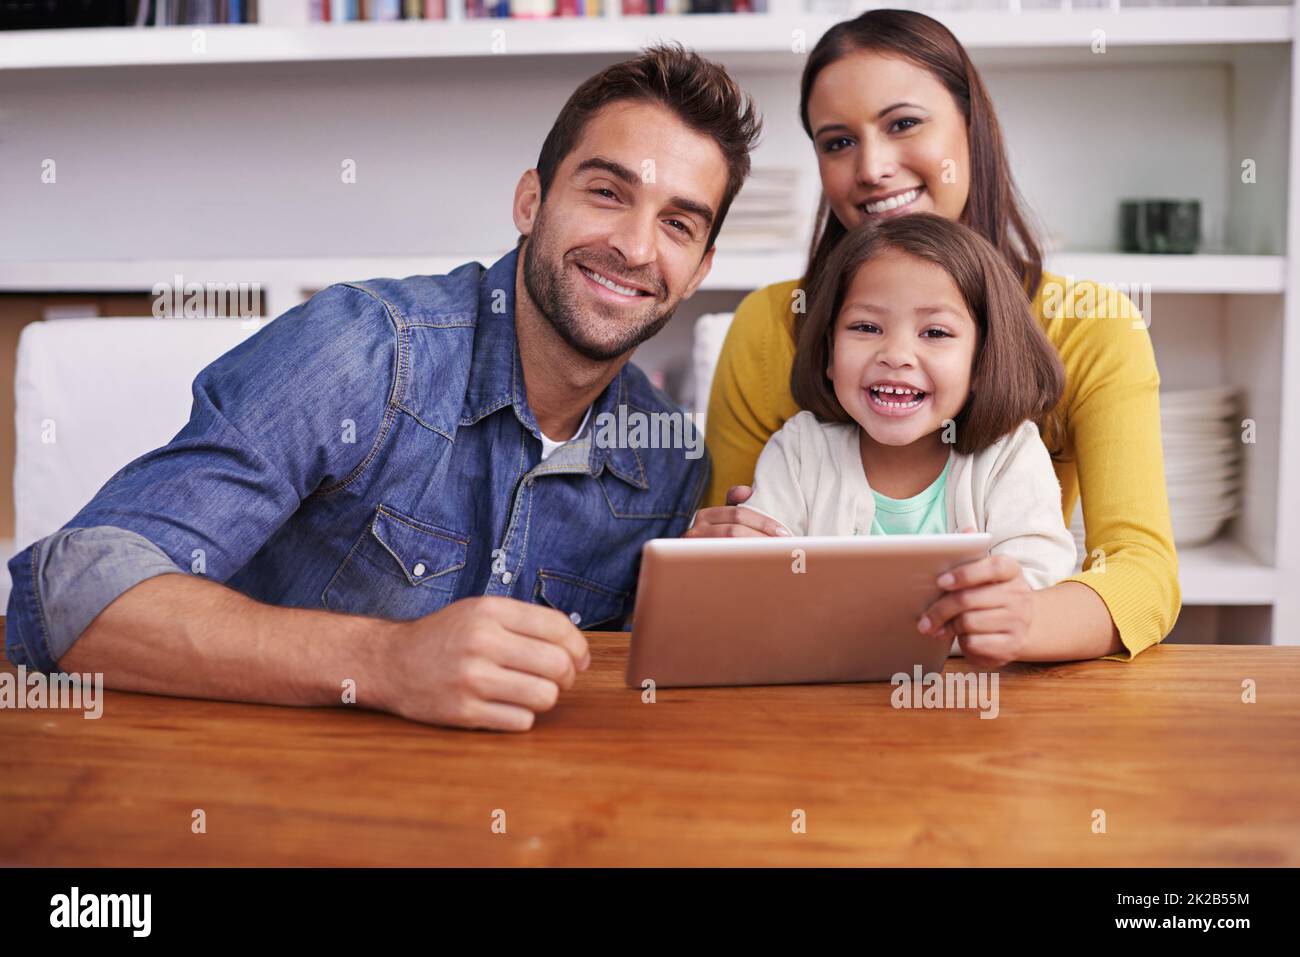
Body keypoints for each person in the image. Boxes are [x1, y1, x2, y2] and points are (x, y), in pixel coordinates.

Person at [6, 42, 762, 732]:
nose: (635, 246)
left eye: (678, 224)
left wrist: (696, 597)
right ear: (531, 202)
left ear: (698, 268)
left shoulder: (667, 466)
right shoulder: (362, 348)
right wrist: (387, 659)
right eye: (606, 192)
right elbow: (67, 593)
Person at [690, 9, 1180, 664]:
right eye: (838, 142)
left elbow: (1142, 570)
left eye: (902, 124)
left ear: (971, 129)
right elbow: (747, 568)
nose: (871, 167)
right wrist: (718, 555)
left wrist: (1022, 620)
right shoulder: (770, 327)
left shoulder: (1092, 327)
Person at [740, 213, 1077, 668]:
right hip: (822, 706)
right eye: (865, 327)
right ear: (828, 354)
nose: (895, 355)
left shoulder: (1010, 455)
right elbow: (760, 594)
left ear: (981, 363)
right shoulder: (800, 449)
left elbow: (1036, 589)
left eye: (935, 333)